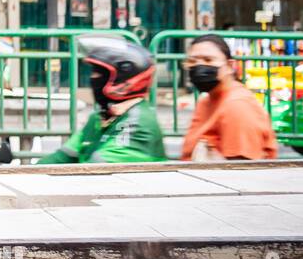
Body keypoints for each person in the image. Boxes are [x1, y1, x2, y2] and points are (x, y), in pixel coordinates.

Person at [39, 34, 166, 165]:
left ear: (122, 80)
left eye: (100, 74)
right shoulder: (100, 117)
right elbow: (65, 156)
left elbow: (96, 169)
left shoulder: (138, 123)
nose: (93, 78)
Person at [180, 33, 278, 161]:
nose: (199, 66)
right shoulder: (206, 101)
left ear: (230, 66)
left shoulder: (238, 105)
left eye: (208, 60)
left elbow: (241, 167)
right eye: (192, 61)